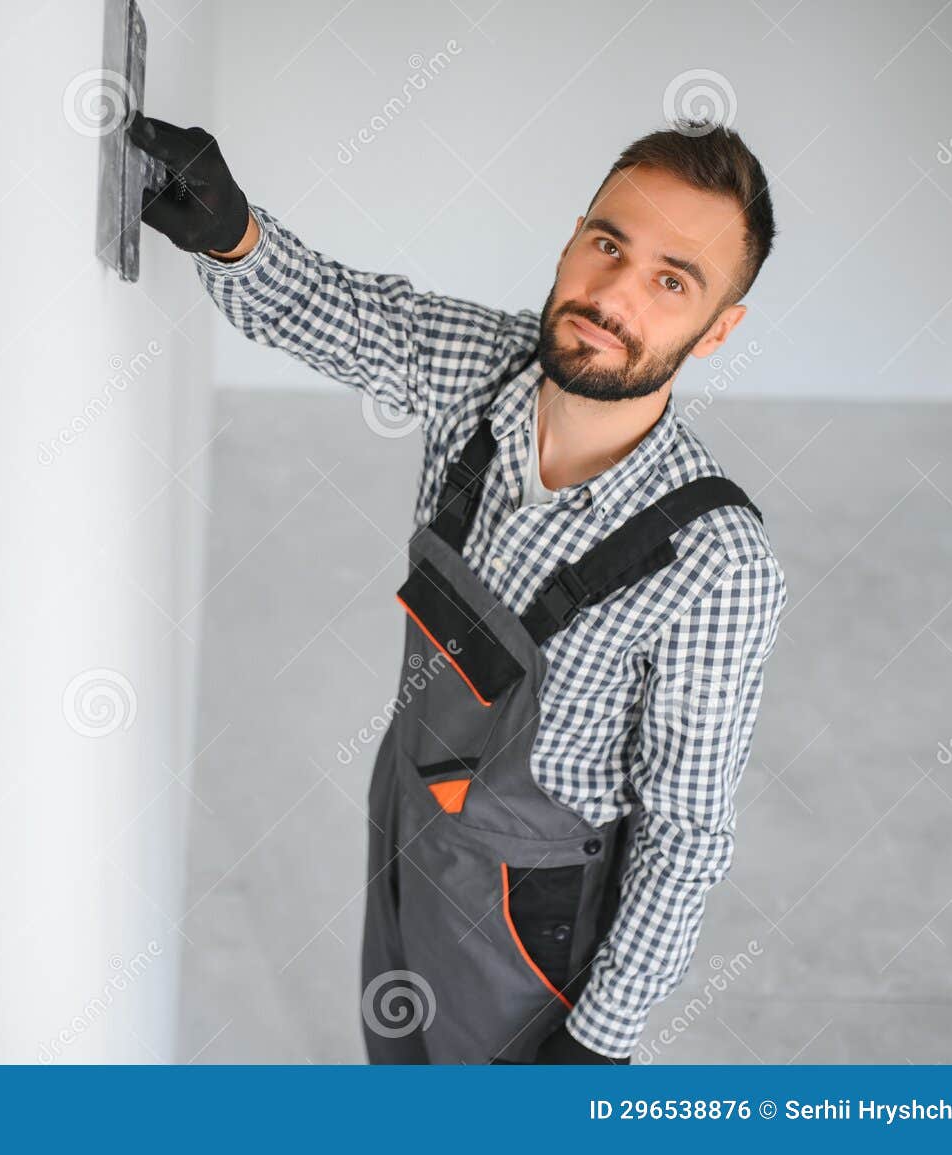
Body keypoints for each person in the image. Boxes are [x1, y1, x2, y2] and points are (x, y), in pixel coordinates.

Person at [128, 112, 787, 1064]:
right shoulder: (484, 368)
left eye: (670, 280)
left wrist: (597, 1043)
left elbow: (684, 832)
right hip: (405, 807)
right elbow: (339, 310)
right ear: (572, 239)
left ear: (717, 330)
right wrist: (232, 232)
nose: (611, 295)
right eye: (608, 243)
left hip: (524, 908)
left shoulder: (715, 563)